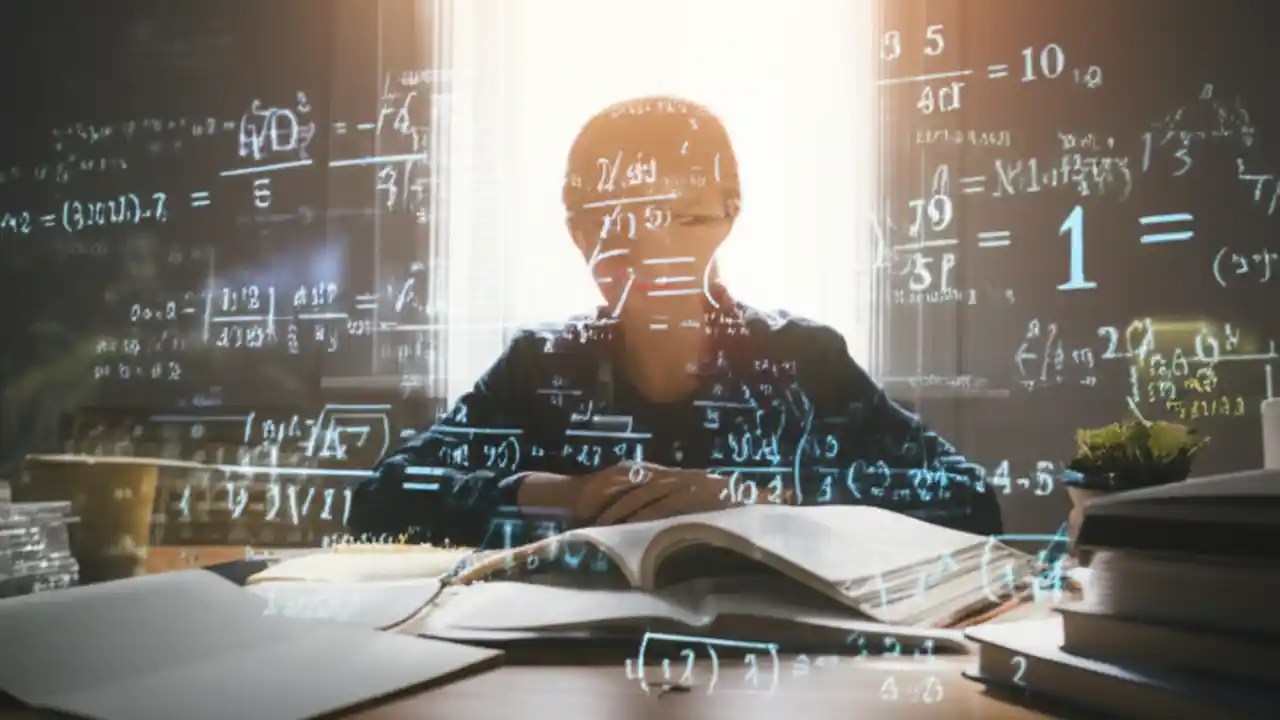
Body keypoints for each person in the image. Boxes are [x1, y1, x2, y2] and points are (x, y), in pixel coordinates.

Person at [347, 95, 1003, 548]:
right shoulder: (540, 364)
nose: (652, 250)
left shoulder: (804, 360)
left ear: (728, 216)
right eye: (616, 222)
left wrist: (762, 502)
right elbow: (378, 501)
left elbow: (971, 504)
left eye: (681, 217)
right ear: (578, 235)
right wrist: (560, 496)